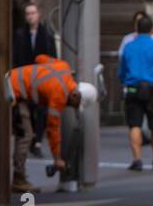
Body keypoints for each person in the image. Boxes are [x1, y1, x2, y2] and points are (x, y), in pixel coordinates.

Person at [5, 55, 96, 193]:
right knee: (26, 135)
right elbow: (52, 129)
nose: (72, 107)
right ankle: (19, 179)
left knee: (22, 131)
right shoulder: (59, 96)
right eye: (75, 105)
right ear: (75, 96)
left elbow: (39, 58)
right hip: (12, 92)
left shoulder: (64, 66)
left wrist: (44, 75)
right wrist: (57, 159)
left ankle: (18, 176)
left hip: (11, 79)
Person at [118, 14, 153, 171]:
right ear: (151, 29)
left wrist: (125, 81)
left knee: (134, 124)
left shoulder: (128, 46)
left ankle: (137, 159)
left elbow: (121, 72)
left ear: (136, 28)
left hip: (133, 89)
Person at [12, 0, 57, 158]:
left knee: (42, 110)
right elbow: (15, 58)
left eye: (33, 13)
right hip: (25, 79)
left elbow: (52, 57)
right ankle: (30, 138)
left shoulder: (47, 35)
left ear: (39, 15)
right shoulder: (19, 35)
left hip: (42, 79)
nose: (30, 16)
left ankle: (37, 141)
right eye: (28, 13)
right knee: (28, 111)